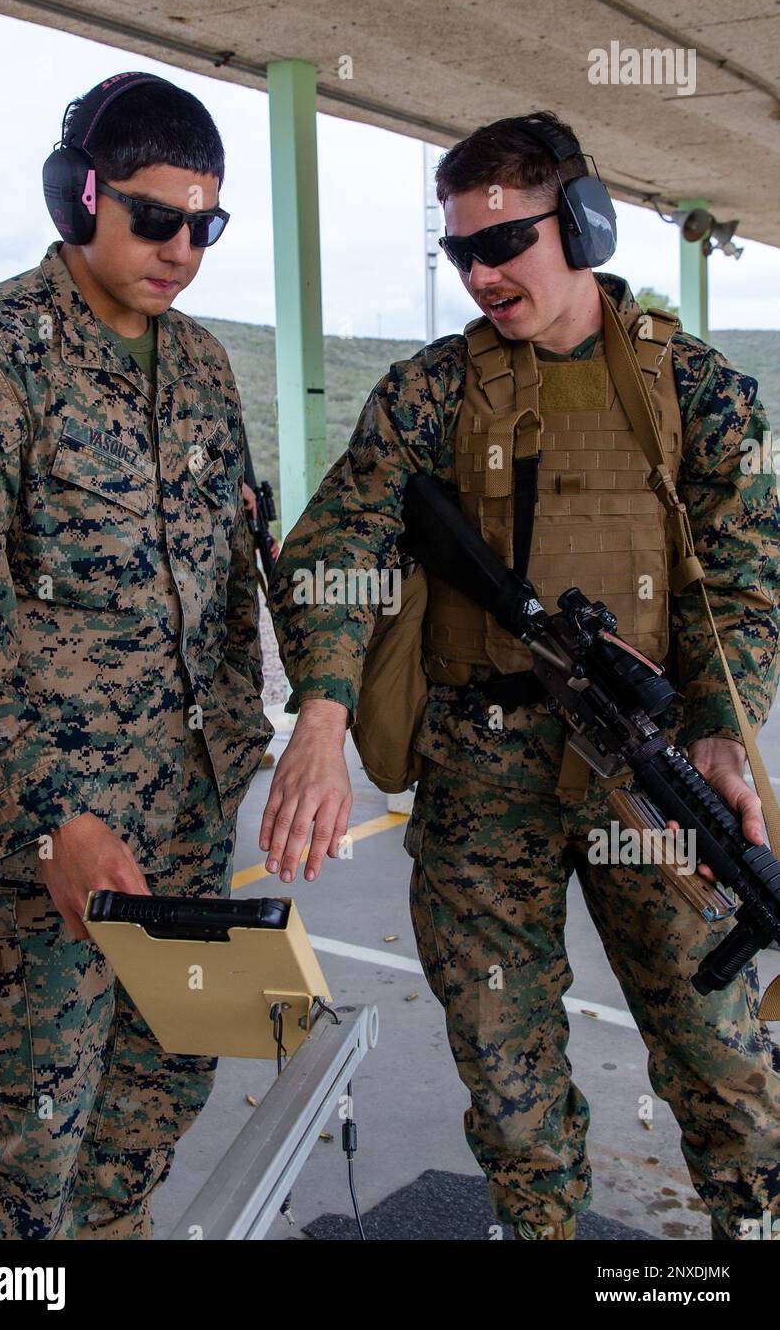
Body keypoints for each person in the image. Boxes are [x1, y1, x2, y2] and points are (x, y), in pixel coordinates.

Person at [262, 112, 780, 1241]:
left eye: (507, 243)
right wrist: (319, 712)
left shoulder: (693, 390)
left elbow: (739, 583)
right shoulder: (430, 392)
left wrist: (715, 734)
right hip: (478, 770)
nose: (483, 274)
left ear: (582, 224)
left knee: (719, 1056)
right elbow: (338, 549)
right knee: (506, 1073)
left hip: (644, 776)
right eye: (460, 252)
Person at [0, 71, 272, 1238]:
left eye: (204, 226)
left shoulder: (207, 370)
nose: (181, 248)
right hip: (49, 856)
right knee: (27, 1161)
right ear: (80, 197)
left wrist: (264, 737)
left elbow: (231, 592)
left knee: (161, 1101)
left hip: (183, 828)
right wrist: (48, 815)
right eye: (153, 217)